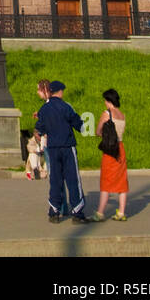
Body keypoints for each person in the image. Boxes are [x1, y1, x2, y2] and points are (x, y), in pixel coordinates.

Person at [35, 79, 86, 222]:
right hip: (67, 147)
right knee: (73, 179)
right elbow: (77, 123)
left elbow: (40, 128)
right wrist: (83, 127)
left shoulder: (44, 109)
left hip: (53, 148)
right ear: (60, 91)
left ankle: (54, 211)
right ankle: (77, 212)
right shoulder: (66, 107)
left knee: (55, 179)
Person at [92, 88, 129, 222]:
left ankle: (100, 213)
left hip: (110, 150)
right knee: (121, 180)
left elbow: (98, 131)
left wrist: (104, 135)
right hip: (120, 148)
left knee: (106, 180)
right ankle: (121, 212)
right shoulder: (122, 115)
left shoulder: (107, 113)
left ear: (108, 100)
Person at [33, 80, 68, 213]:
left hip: (52, 143)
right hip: (54, 142)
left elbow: (53, 123)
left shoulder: (50, 105)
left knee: (55, 176)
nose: (37, 93)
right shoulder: (49, 106)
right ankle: (62, 205)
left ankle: (59, 206)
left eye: (39, 90)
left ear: (46, 90)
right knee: (56, 175)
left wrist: (40, 132)